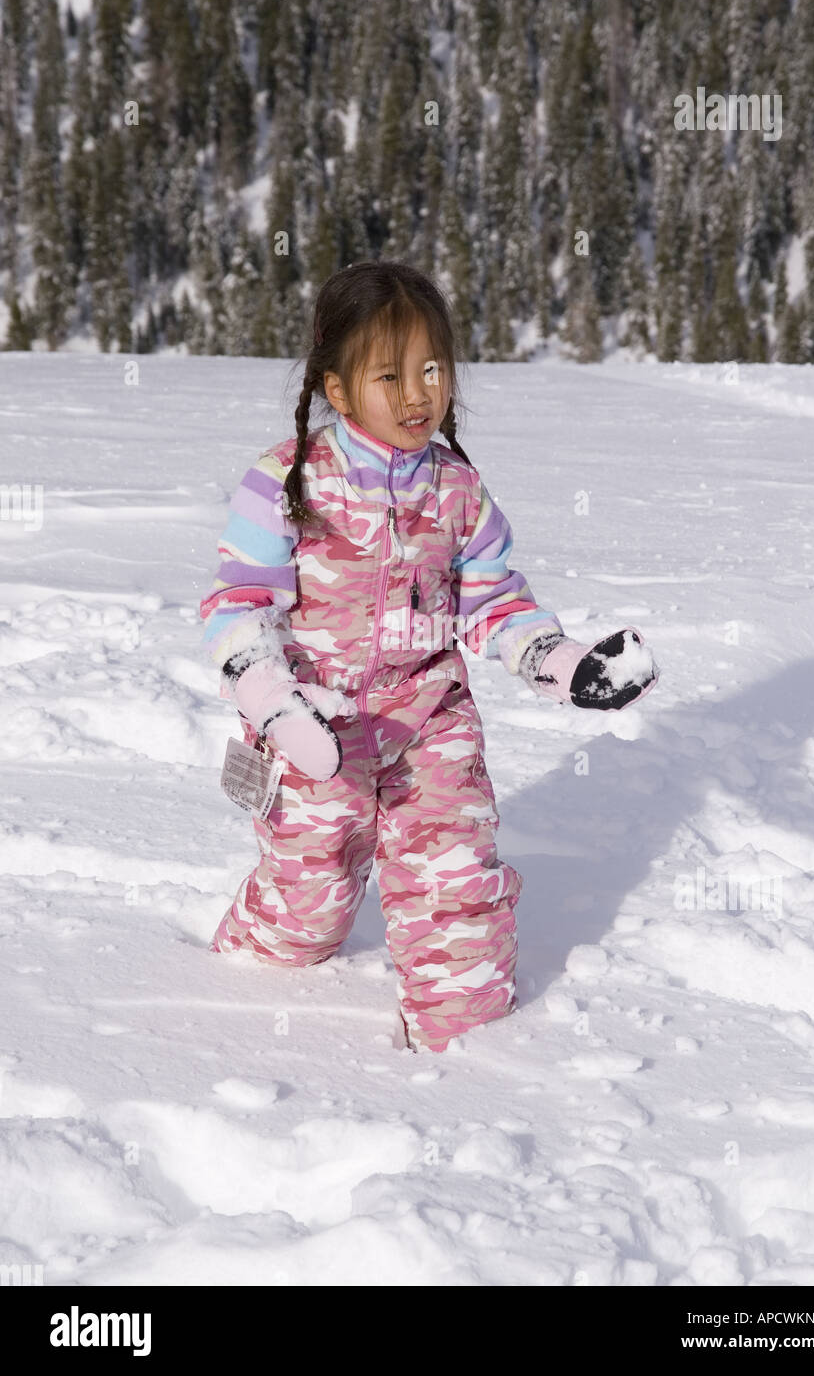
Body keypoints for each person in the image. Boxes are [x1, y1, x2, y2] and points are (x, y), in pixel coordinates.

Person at [199, 260, 658, 1053]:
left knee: (456, 908)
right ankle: (239, 984)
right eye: (390, 375)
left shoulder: (458, 491)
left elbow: (492, 601)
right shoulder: (286, 481)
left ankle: (468, 1068)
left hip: (430, 727)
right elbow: (236, 607)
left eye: (432, 369)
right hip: (318, 734)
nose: (418, 394)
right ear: (337, 389)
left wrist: (558, 660)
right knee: (300, 920)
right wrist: (274, 703)